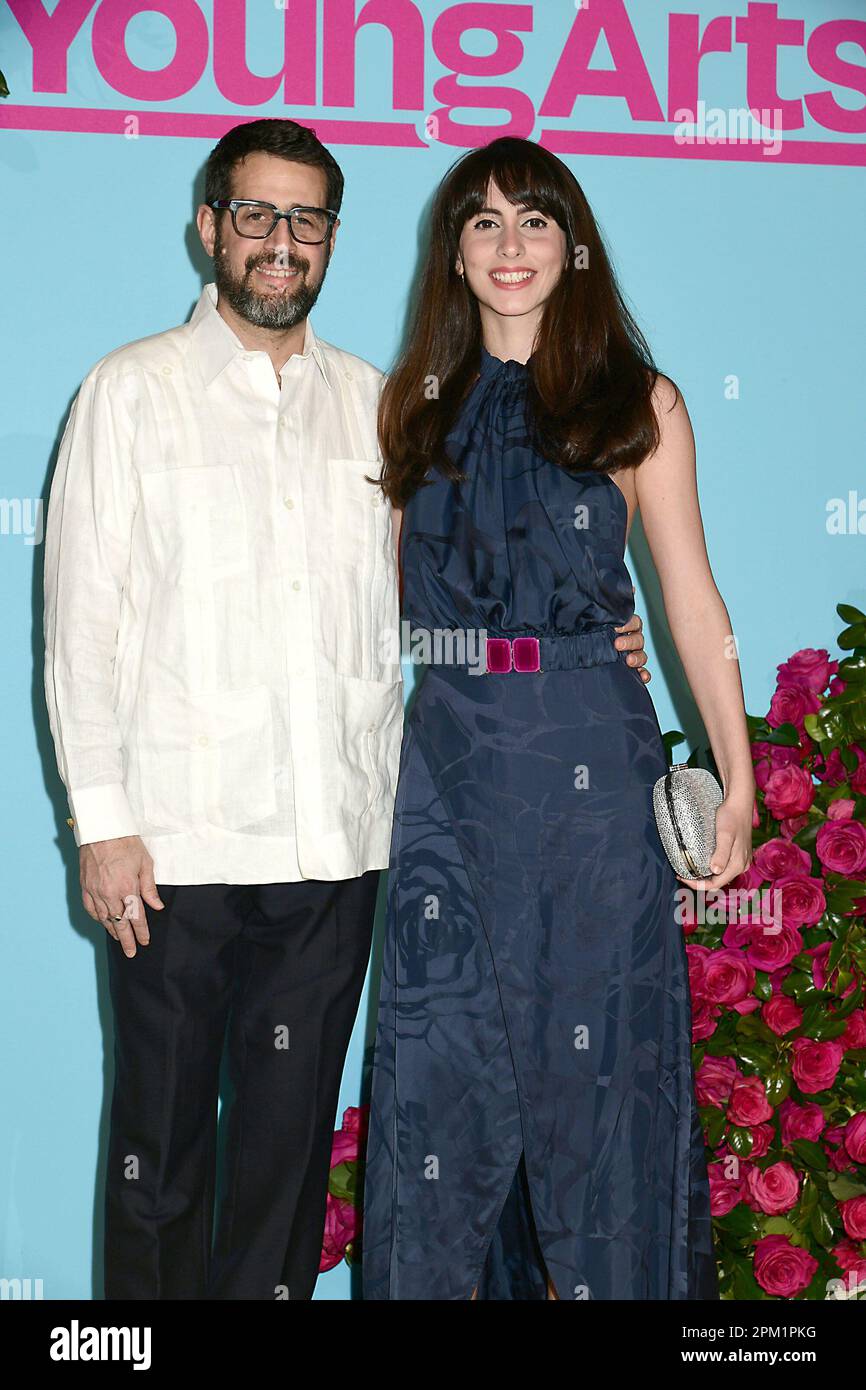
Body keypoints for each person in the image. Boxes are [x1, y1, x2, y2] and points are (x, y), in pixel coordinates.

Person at [41, 115, 654, 1300]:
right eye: (256, 215)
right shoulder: (127, 394)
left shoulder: (382, 407)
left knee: (283, 1166)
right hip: (174, 844)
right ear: (209, 227)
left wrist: (589, 634)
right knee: (155, 1157)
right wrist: (101, 823)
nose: (281, 242)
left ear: (330, 241)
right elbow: (80, 625)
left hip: (338, 845)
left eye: (306, 220)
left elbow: (437, 593)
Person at [362, 136, 756, 1301]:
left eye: (532, 220)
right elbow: (382, 609)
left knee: (600, 1087)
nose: (510, 245)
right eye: (482, 223)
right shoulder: (412, 408)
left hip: (592, 764)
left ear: (571, 243)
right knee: (439, 1082)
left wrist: (735, 779)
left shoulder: (638, 401)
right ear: (454, 254)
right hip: (450, 776)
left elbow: (689, 598)